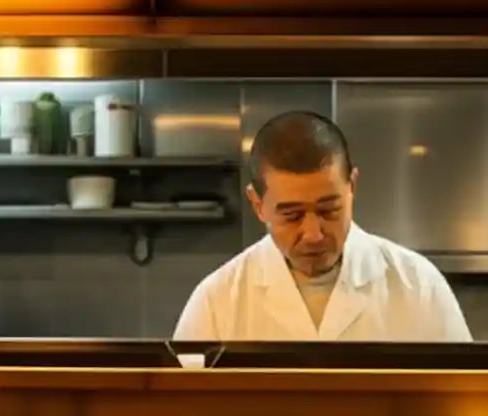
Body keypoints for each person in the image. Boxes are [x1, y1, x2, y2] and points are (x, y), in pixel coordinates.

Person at [173, 111, 471, 342]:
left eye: (330, 210)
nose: (313, 234)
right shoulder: (217, 301)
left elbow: (464, 399)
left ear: (352, 186)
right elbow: (182, 412)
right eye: (291, 215)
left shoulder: (419, 287)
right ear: (257, 204)